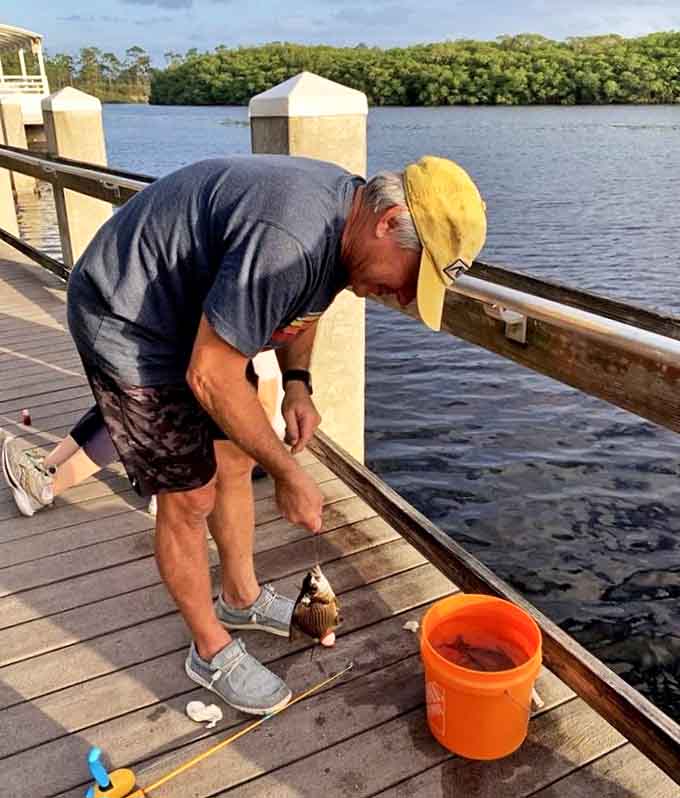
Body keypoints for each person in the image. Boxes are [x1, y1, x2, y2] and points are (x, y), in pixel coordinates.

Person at [2, 154, 486, 716]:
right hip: (127, 315)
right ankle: (209, 650)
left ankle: (240, 598)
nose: (404, 296)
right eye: (412, 276)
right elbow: (210, 375)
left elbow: (306, 305)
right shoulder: (289, 235)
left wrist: (299, 384)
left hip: (195, 316)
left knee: (232, 463)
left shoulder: (344, 226)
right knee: (187, 497)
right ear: (389, 221)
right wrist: (287, 471)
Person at [1, 351, 283, 517]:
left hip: (247, 450)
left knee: (137, 416)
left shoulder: (256, 344)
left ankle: (44, 489)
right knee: (121, 401)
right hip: (212, 434)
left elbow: (266, 411)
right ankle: (47, 466)